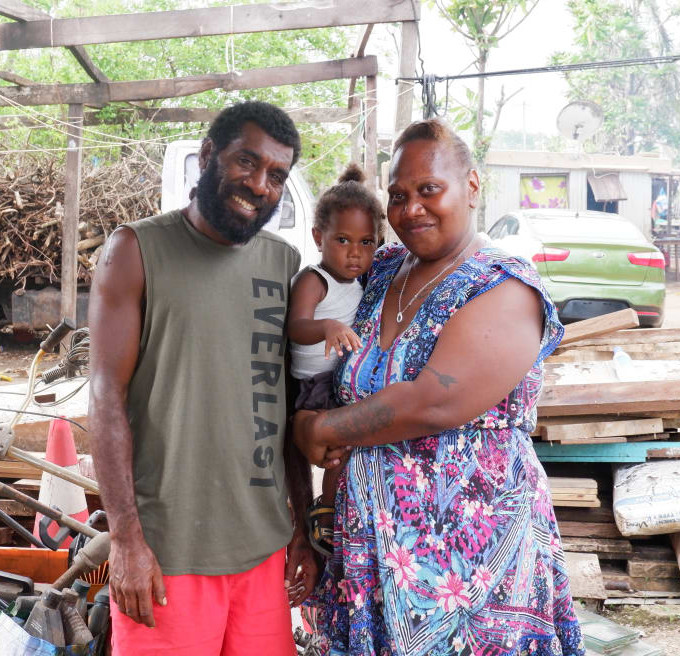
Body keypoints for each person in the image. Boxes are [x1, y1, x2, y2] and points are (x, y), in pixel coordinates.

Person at [293, 118, 585, 655]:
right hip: (371, 549)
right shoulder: (381, 273)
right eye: (398, 195)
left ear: (472, 186)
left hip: (469, 555)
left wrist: (322, 427)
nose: (410, 209)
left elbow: (434, 400)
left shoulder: (503, 283)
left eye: (429, 190)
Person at [87, 100, 317, 656]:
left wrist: (302, 530)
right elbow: (105, 397)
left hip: (262, 551)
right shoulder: (136, 251)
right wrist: (125, 541)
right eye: (247, 162)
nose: (260, 184)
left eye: (276, 176)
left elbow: (284, 405)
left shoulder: (284, 264)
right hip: (168, 555)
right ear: (209, 155)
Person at [286, 164, 383, 556]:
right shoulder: (315, 279)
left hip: (339, 379)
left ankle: (333, 509)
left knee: (353, 446)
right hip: (315, 384)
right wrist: (325, 326)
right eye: (343, 240)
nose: (356, 253)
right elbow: (296, 326)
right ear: (318, 237)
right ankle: (324, 515)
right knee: (338, 451)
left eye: (367, 242)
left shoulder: (360, 282)